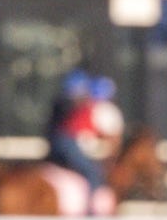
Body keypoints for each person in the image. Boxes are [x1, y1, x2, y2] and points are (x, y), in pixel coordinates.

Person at [44, 67, 124, 201]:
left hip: (65, 142)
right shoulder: (82, 107)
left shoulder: (76, 106)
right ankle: (90, 209)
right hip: (69, 142)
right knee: (92, 173)